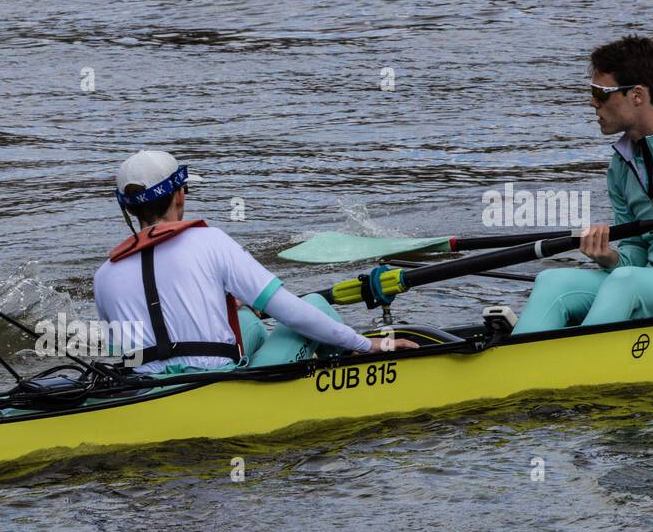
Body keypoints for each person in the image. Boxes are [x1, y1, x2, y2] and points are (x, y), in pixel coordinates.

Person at [93, 150, 416, 375]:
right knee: (316, 305)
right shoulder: (211, 241)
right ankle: (348, 369)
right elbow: (291, 310)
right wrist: (370, 343)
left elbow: (124, 352)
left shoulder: (105, 275)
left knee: (248, 321)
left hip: (148, 388)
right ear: (180, 195)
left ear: (129, 211)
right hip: (215, 388)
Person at [514, 36, 653, 334]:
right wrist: (609, 257)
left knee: (627, 283)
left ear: (637, 95)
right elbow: (636, 252)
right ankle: (513, 371)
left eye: (601, 92)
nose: (592, 101)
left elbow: (631, 276)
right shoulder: (621, 166)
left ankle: (573, 368)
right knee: (555, 282)